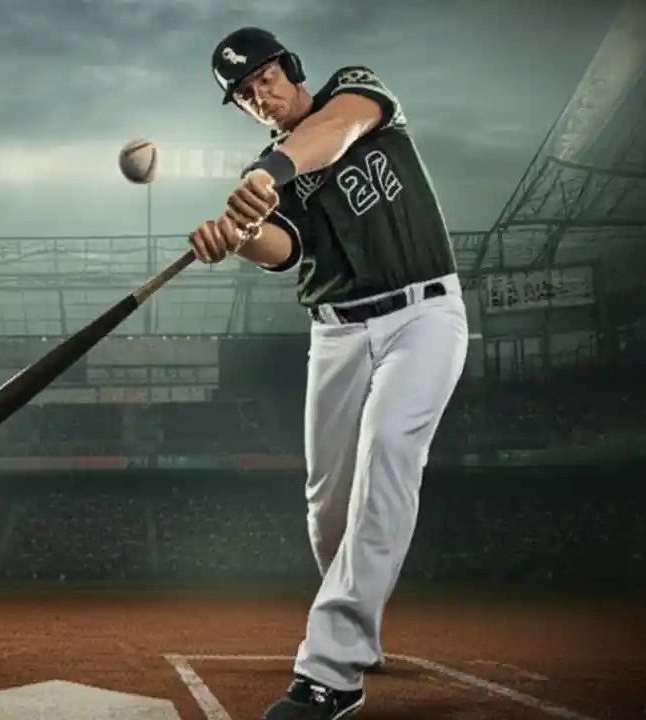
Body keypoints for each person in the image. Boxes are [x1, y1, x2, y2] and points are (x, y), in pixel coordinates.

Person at [189, 26, 469, 720]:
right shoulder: (266, 167)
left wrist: (266, 177)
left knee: (387, 458)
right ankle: (358, 616)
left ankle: (329, 675)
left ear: (291, 67)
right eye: (246, 92)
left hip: (422, 316)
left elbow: (339, 131)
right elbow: (285, 253)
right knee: (327, 510)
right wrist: (237, 235)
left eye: (265, 76)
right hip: (337, 333)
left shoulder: (352, 88)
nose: (261, 94)